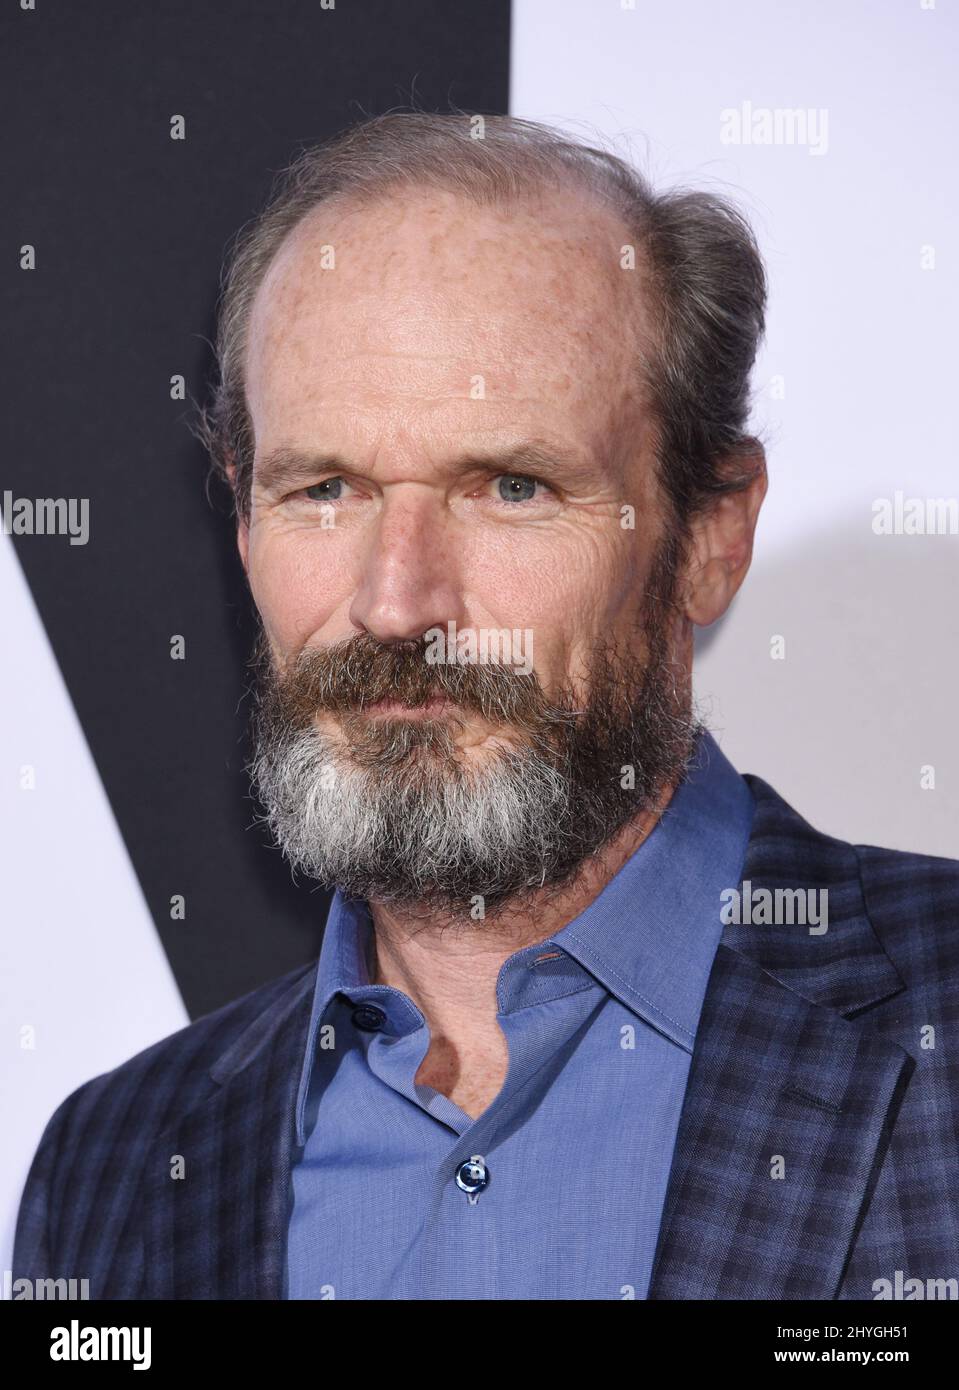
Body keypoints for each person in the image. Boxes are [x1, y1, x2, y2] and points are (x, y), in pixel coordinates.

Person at [13, 112, 959, 1301]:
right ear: (243, 526)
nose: (399, 601)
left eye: (511, 486)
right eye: (323, 489)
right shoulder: (107, 1175)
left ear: (710, 534)